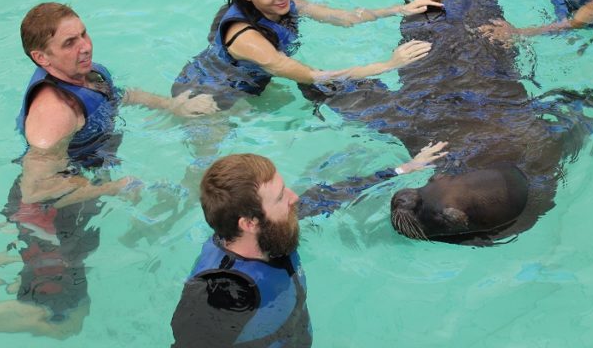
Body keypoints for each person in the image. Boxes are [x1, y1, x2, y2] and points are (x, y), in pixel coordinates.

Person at [0, 2, 218, 338]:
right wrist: (112, 189)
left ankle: (21, 267)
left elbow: (120, 96)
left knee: (49, 281)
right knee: (66, 320)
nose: (85, 46)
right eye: (69, 43)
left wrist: (173, 105)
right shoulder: (53, 115)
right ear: (42, 58)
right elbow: (37, 191)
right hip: (47, 221)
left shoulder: (86, 73)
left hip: (71, 205)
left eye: (83, 34)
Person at [170, 141, 448, 348]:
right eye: (280, 197)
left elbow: (331, 196)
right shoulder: (221, 292)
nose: (294, 198)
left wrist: (404, 169)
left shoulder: (273, 227)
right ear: (249, 223)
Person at [172, 0, 447, 110]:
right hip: (206, 96)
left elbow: (344, 18)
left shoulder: (284, 3)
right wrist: (388, 65)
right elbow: (315, 76)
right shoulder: (246, 38)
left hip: (248, 82)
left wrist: (399, 9)